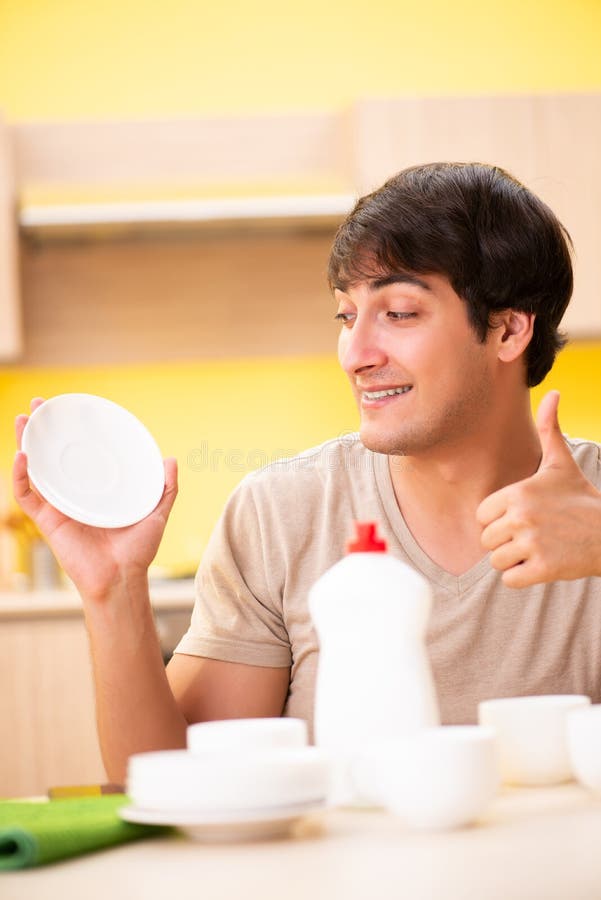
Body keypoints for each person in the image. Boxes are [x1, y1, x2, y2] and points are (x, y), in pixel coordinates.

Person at [13, 162, 601, 785]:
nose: (356, 354)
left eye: (399, 313)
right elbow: (172, 778)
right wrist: (113, 588)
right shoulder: (282, 512)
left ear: (508, 328)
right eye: (347, 316)